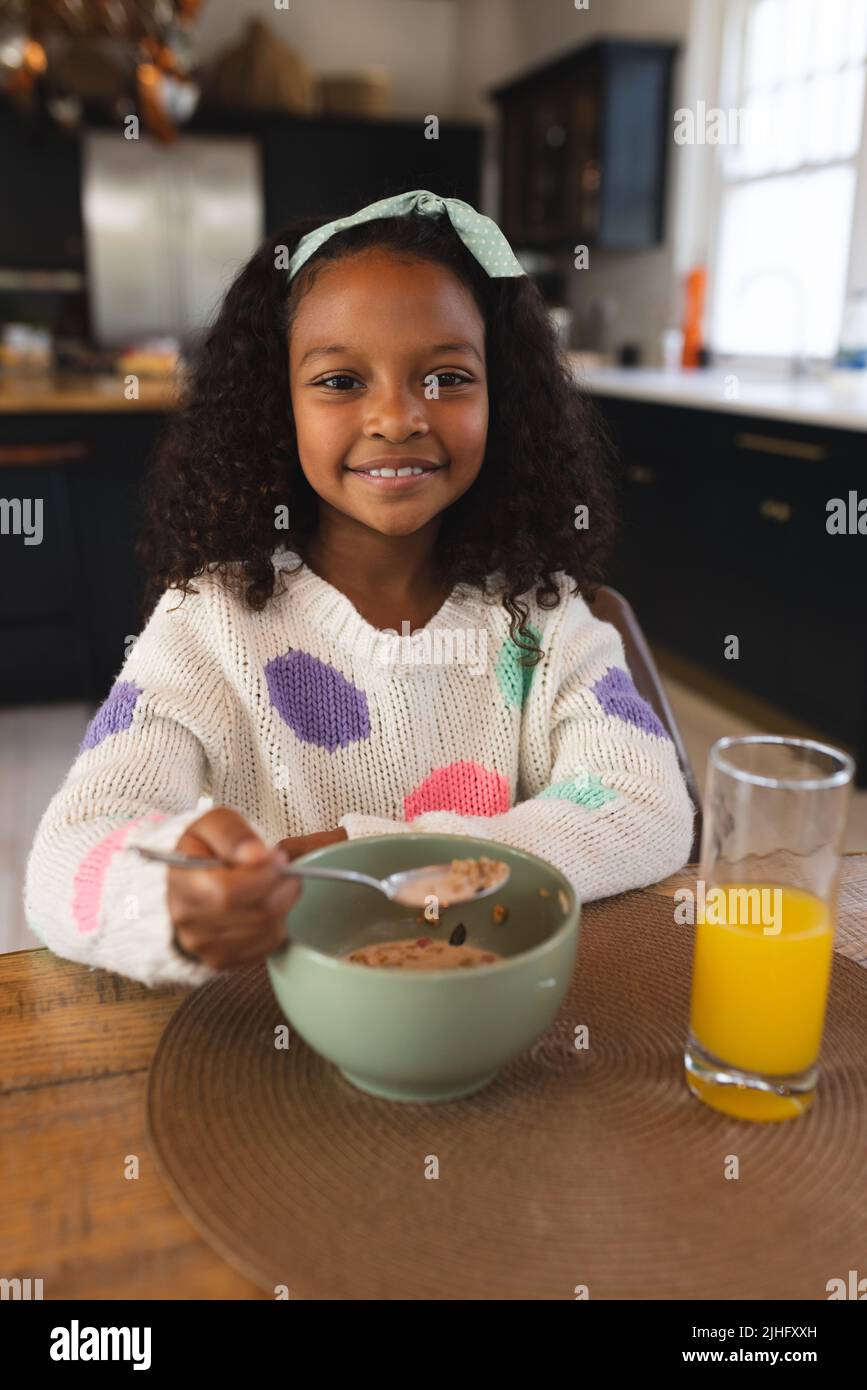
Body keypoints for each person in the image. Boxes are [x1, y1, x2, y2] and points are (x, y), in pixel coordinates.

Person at [23, 190, 696, 987]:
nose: (397, 417)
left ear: (501, 400)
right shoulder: (210, 622)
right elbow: (70, 857)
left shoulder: (541, 615)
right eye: (340, 381)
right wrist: (170, 900)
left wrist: (370, 853)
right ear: (279, 408)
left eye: (446, 377)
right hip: (287, 1037)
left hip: (493, 1026)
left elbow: (648, 807)